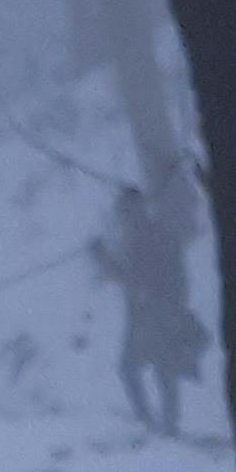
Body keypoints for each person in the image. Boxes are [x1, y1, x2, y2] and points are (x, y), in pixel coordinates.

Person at [97, 165, 203, 434]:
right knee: (163, 369)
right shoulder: (160, 233)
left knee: (133, 368)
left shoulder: (143, 239)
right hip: (165, 311)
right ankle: (167, 425)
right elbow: (177, 277)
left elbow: (130, 277)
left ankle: (150, 423)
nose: (121, 218)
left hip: (151, 313)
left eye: (123, 212)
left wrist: (101, 257)